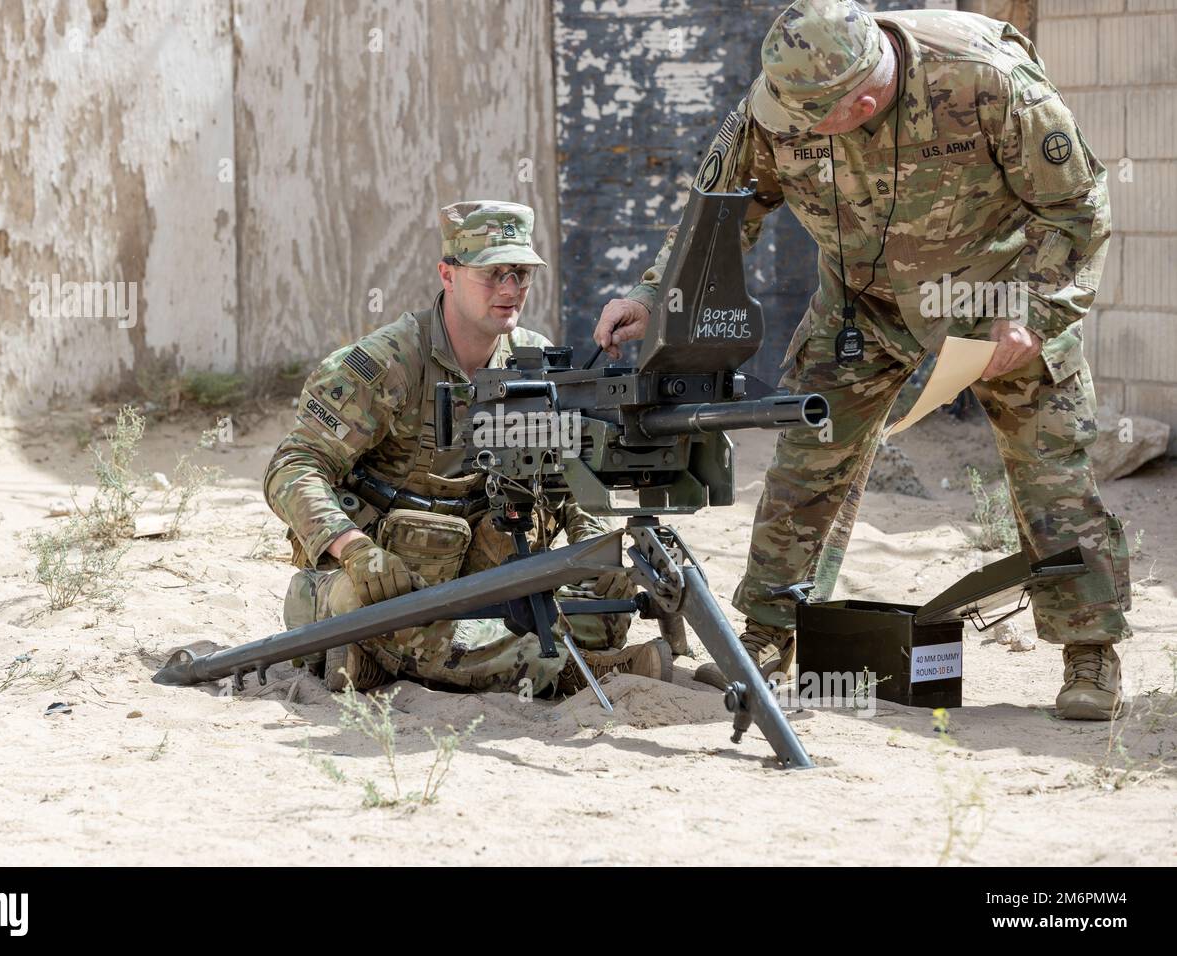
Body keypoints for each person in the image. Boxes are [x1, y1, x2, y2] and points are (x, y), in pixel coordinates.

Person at [592, 0, 1132, 719]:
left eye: (813, 122)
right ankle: (766, 636)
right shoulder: (782, 99)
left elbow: (1077, 207)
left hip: (998, 299)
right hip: (861, 307)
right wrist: (654, 295)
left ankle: (1088, 651)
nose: (791, 130)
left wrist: (1028, 312)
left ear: (866, 99)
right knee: (807, 458)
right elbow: (722, 210)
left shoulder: (987, 81)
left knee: (1050, 467)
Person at [266, 199, 673, 695]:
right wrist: (355, 551)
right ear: (448, 274)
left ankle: (379, 662)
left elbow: (563, 473)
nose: (510, 289)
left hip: (489, 570)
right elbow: (292, 467)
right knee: (372, 608)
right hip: (389, 578)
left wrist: (592, 545)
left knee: (604, 608)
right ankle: (569, 671)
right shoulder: (387, 363)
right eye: (493, 273)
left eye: (521, 273)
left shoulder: (533, 360)